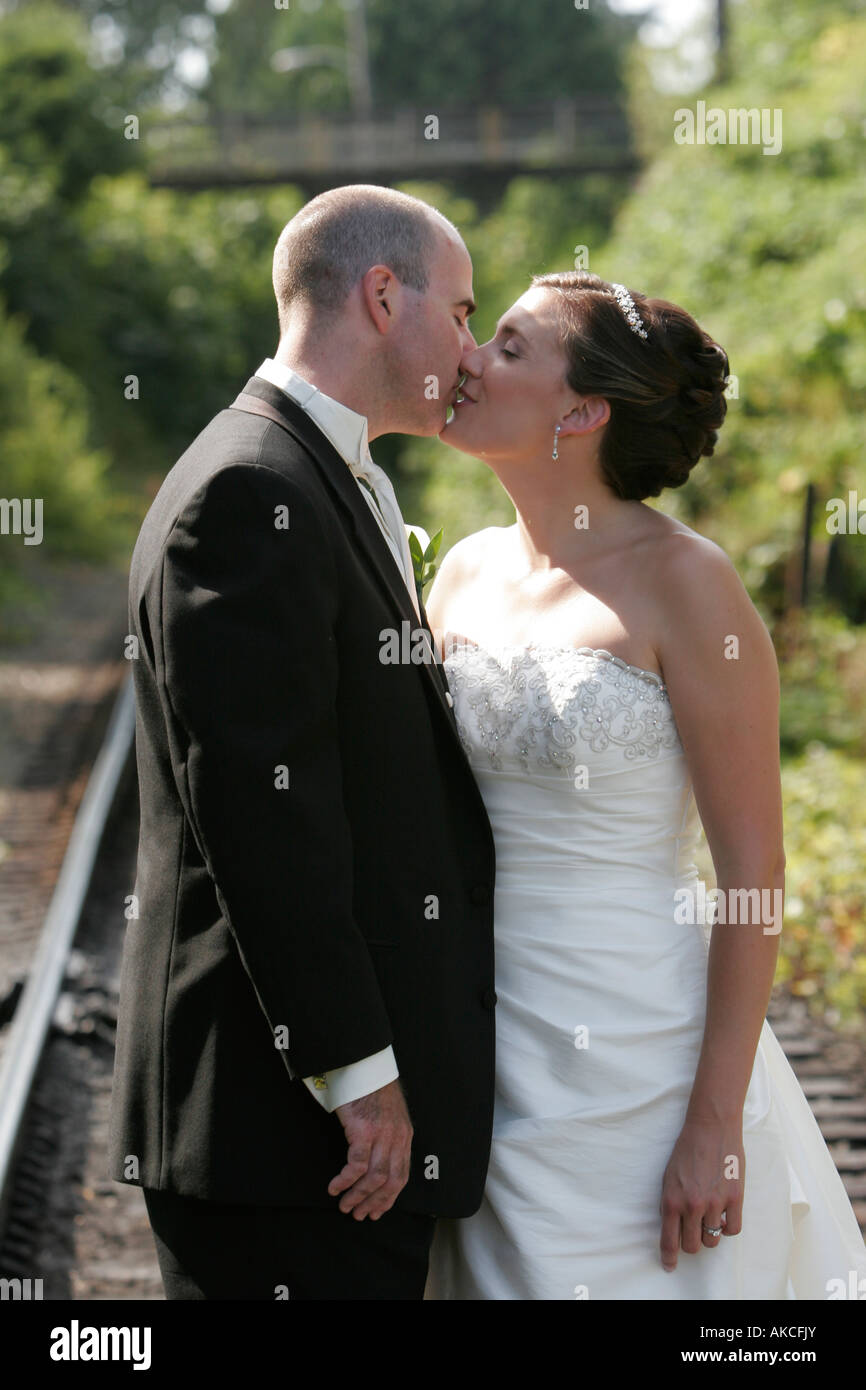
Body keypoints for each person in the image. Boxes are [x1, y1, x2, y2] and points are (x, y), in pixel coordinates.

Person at [423, 270, 866, 1299]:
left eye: (510, 346)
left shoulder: (687, 583)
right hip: (482, 1043)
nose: (469, 359)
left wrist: (712, 1119)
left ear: (581, 412)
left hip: (643, 1056)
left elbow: (752, 868)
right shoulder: (459, 575)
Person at [108, 185, 497, 1300]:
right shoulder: (248, 488)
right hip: (286, 1133)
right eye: (462, 311)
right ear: (383, 295)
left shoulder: (319, 470)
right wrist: (359, 1077)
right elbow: (263, 814)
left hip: (316, 1141)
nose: (469, 346)